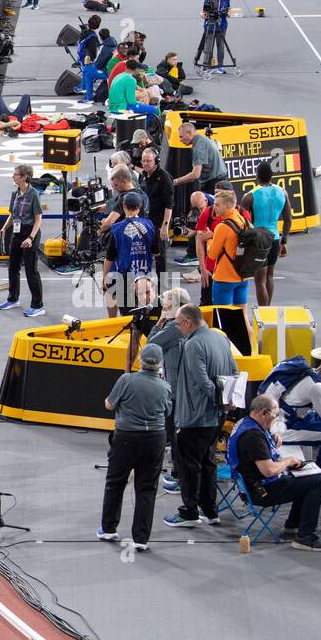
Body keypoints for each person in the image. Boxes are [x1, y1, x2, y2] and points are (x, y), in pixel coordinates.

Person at [165, 304, 236, 527]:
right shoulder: (221, 338)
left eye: (178, 324)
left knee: (189, 466)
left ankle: (189, 512)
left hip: (196, 416)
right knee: (208, 462)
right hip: (217, 416)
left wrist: (217, 398)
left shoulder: (193, 344)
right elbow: (233, 371)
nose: (178, 328)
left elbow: (201, 380)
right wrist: (226, 401)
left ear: (187, 322)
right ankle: (210, 510)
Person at [227, 394, 321, 550]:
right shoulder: (253, 436)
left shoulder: (246, 423)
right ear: (264, 413)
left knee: (309, 478)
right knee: (320, 482)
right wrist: (288, 461)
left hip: (251, 485)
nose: (274, 419)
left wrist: (269, 439)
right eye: (274, 416)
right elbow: (269, 471)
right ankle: (305, 537)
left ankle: (292, 525)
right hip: (262, 491)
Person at [98, 343, 172, 550]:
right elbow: (167, 412)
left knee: (116, 482)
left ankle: (109, 528)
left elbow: (109, 404)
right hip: (155, 439)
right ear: (160, 365)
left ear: (141, 359)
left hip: (127, 437)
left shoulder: (126, 380)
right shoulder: (165, 387)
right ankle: (140, 539)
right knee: (147, 488)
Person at [146, 288, 191, 491]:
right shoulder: (188, 325)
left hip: (176, 393)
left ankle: (180, 476)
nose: (162, 302)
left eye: (167, 300)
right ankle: (178, 474)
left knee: (175, 435)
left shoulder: (174, 328)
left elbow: (150, 347)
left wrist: (159, 322)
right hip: (182, 390)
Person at [241, 162, 292, 307]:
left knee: (259, 281)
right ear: (271, 176)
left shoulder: (249, 196)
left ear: (256, 176)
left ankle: (264, 314)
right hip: (275, 238)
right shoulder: (282, 192)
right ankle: (268, 314)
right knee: (270, 276)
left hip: (259, 241)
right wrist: (284, 242)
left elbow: (243, 222)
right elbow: (288, 219)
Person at [258, 348, 321, 451]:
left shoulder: (309, 374)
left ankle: (320, 462)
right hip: (281, 431)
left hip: (282, 421)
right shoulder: (317, 387)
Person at [0, 164, 44, 317]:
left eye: (16, 174)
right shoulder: (15, 194)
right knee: (13, 267)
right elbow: (12, 215)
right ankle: (13, 299)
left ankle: (38, 305)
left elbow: (38, 220)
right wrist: (4, 228)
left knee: (31, 270)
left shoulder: (34, 195)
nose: (13, 176)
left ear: (24, 177)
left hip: (30, 232)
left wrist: (30, 238)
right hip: (17, 233)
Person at [102, 191, 156, 319]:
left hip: (125, 278)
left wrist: (105, 276)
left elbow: (109, 258)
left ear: (123, 206)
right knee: (143, 316)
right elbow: (157, 252)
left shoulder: (116, 229)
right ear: (140, 206)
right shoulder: (150, 225)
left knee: (127, 318)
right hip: (145, 276)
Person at [205, 188, 252, 308]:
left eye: (217, 205)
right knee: (242, 316)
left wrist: (209, 239)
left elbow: (212, 254)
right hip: (242, 276)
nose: (214, 208)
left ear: (228, 205)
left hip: (224, 277)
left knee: (224, 318)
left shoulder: (222, 227)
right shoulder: (244, 220)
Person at [137, 147, 173, 276]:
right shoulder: (143, 176)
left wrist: (165, 225)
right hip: (145, 221)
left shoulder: (164, 177)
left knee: (160, 256)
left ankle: (162, 288)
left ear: (156, 161)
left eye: (148, 161)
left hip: (158, 221)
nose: (145, 164)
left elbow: (169, 204)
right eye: (143, 161)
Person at [173, 121, 225, 194]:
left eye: (181, 136)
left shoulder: (198, 146)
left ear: (189, 133)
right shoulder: (203, 140)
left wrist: (175, 182)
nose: (180, 140)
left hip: (214, 184)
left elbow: (195, 174)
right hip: (220, 180)